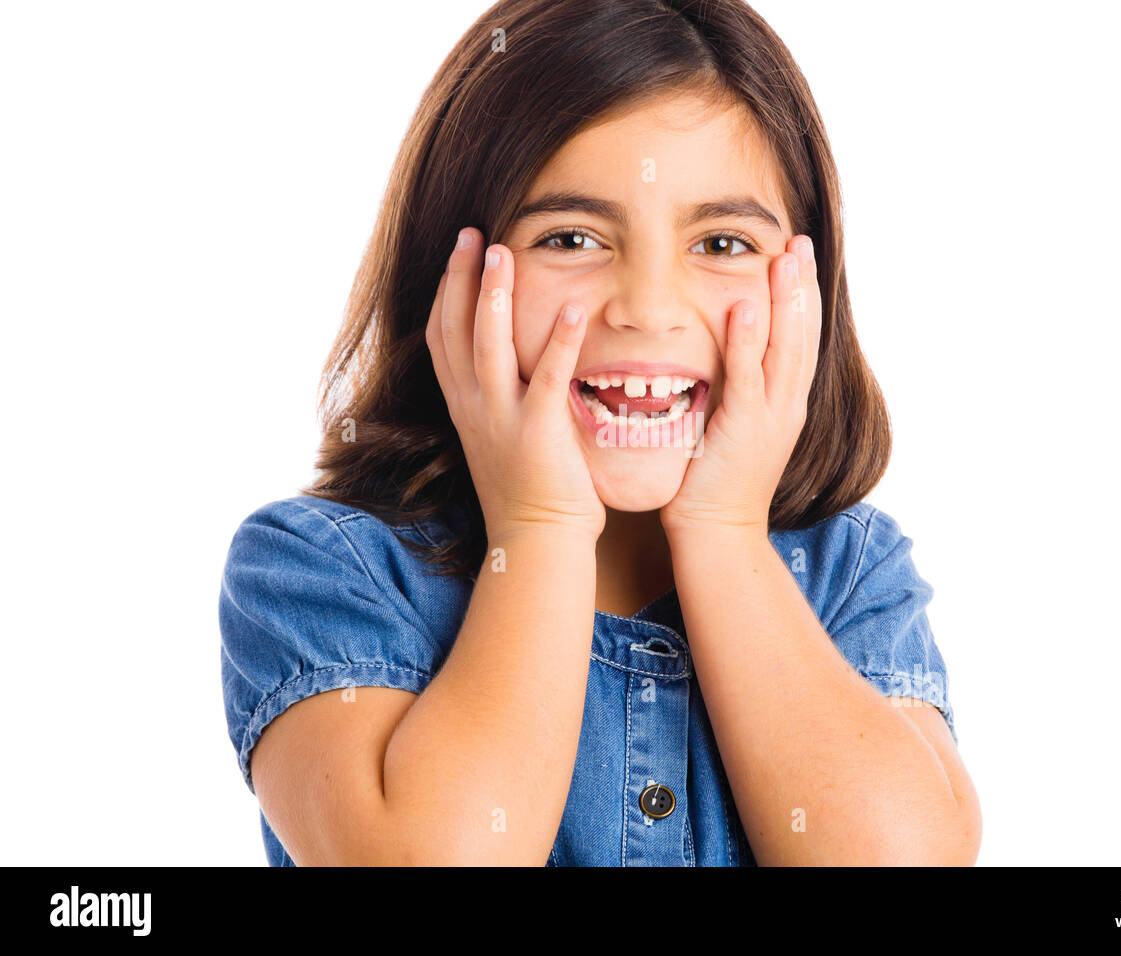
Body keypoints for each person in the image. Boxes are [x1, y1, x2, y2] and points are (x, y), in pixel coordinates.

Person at [219, 0, 980, 866]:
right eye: (572, 237)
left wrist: (724, 533)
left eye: (723, 242)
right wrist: (538, 526)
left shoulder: (847, 573)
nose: (649, 309)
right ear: (454, 281)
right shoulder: (325, 571)